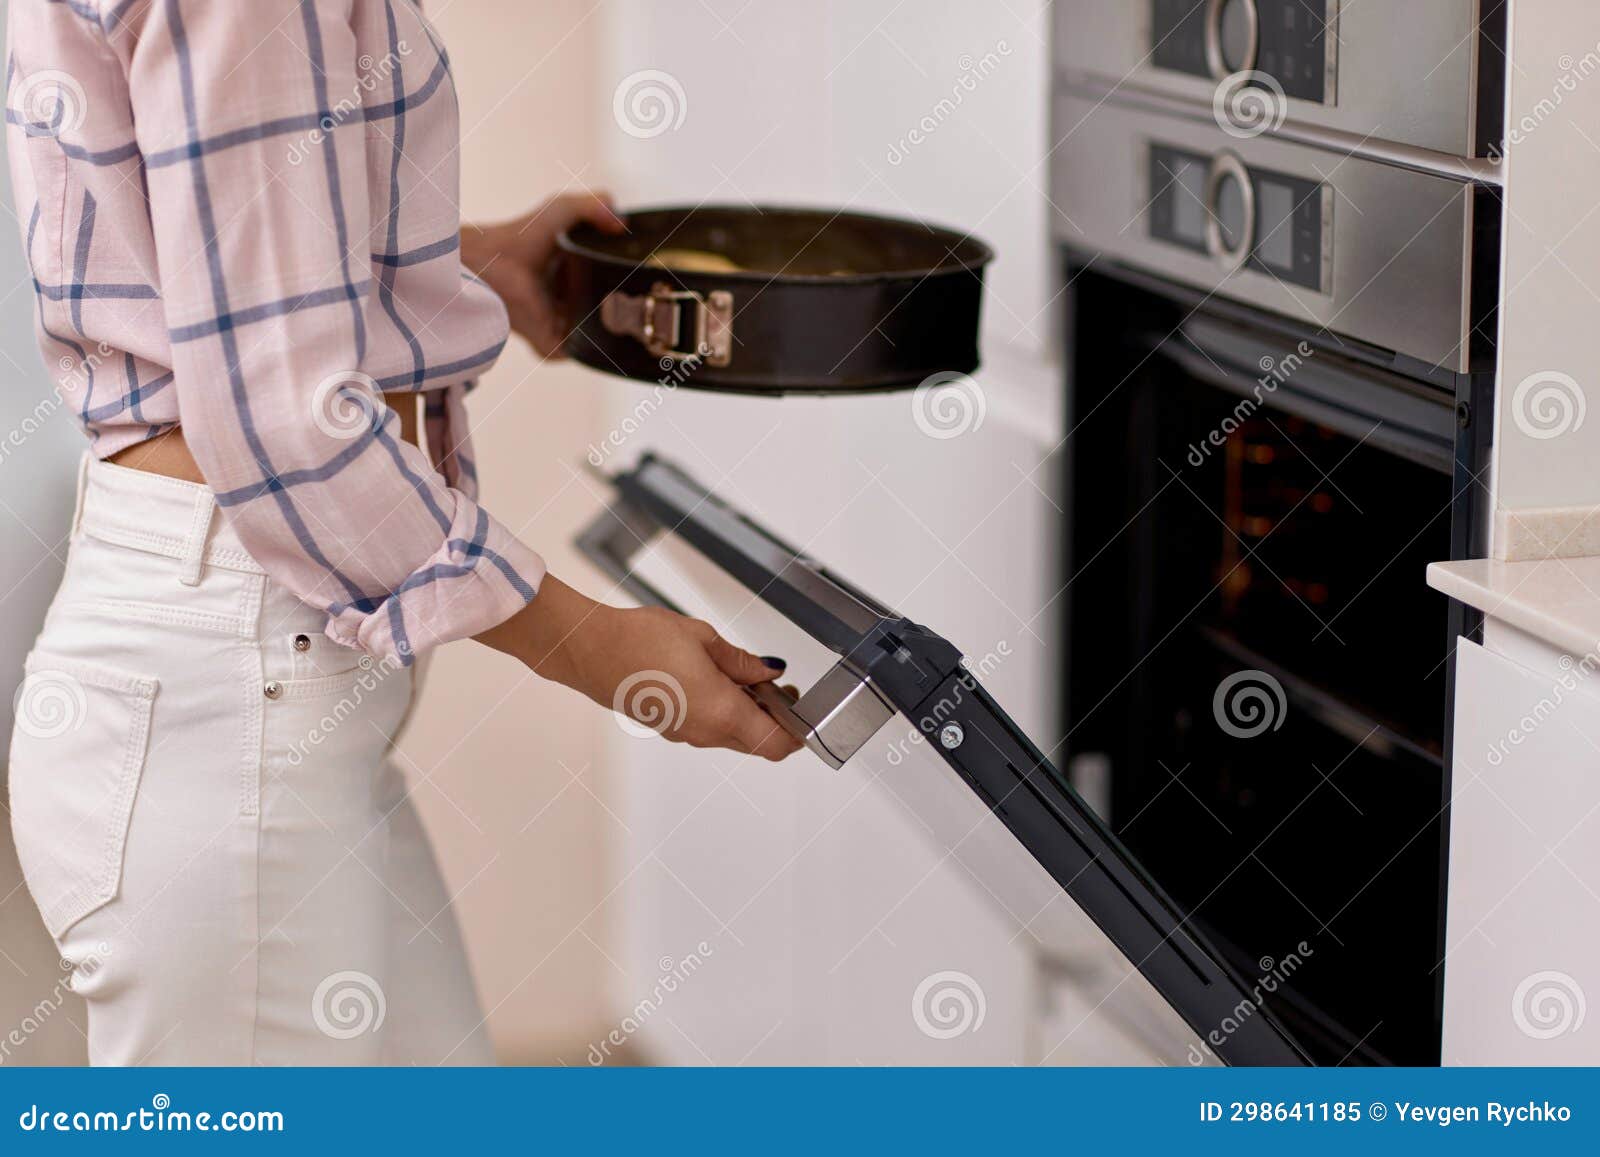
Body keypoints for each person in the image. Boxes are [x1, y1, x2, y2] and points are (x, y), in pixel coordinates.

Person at [3, 0, 799, 1066]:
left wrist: (462, 263)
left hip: (260, 681)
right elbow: (281, 416)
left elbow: (213, 235)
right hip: (230, 695)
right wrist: (598, 648)